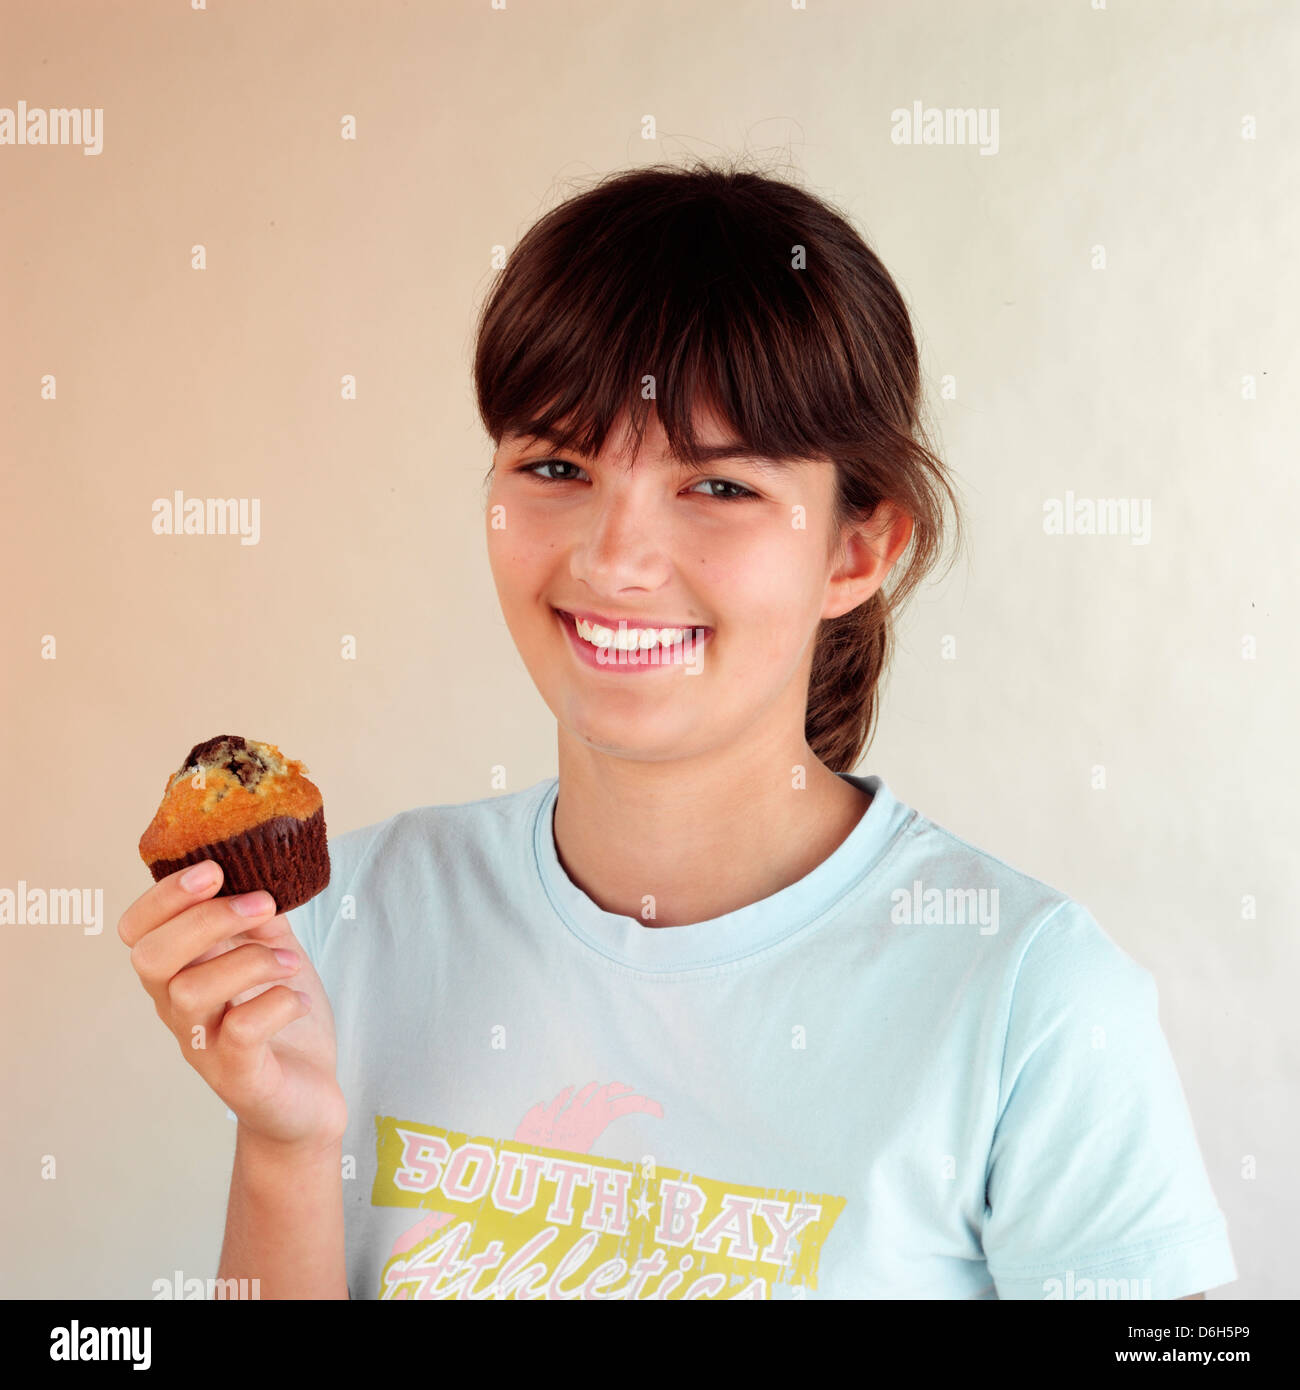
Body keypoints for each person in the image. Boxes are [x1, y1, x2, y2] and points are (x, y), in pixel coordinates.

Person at [120, 159, 1235, 1300]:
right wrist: (287, 1145)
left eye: (717, 488)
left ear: (858, 548)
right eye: (556, 465)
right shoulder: (344, 922)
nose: (612, 559)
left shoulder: (1031, 1001)